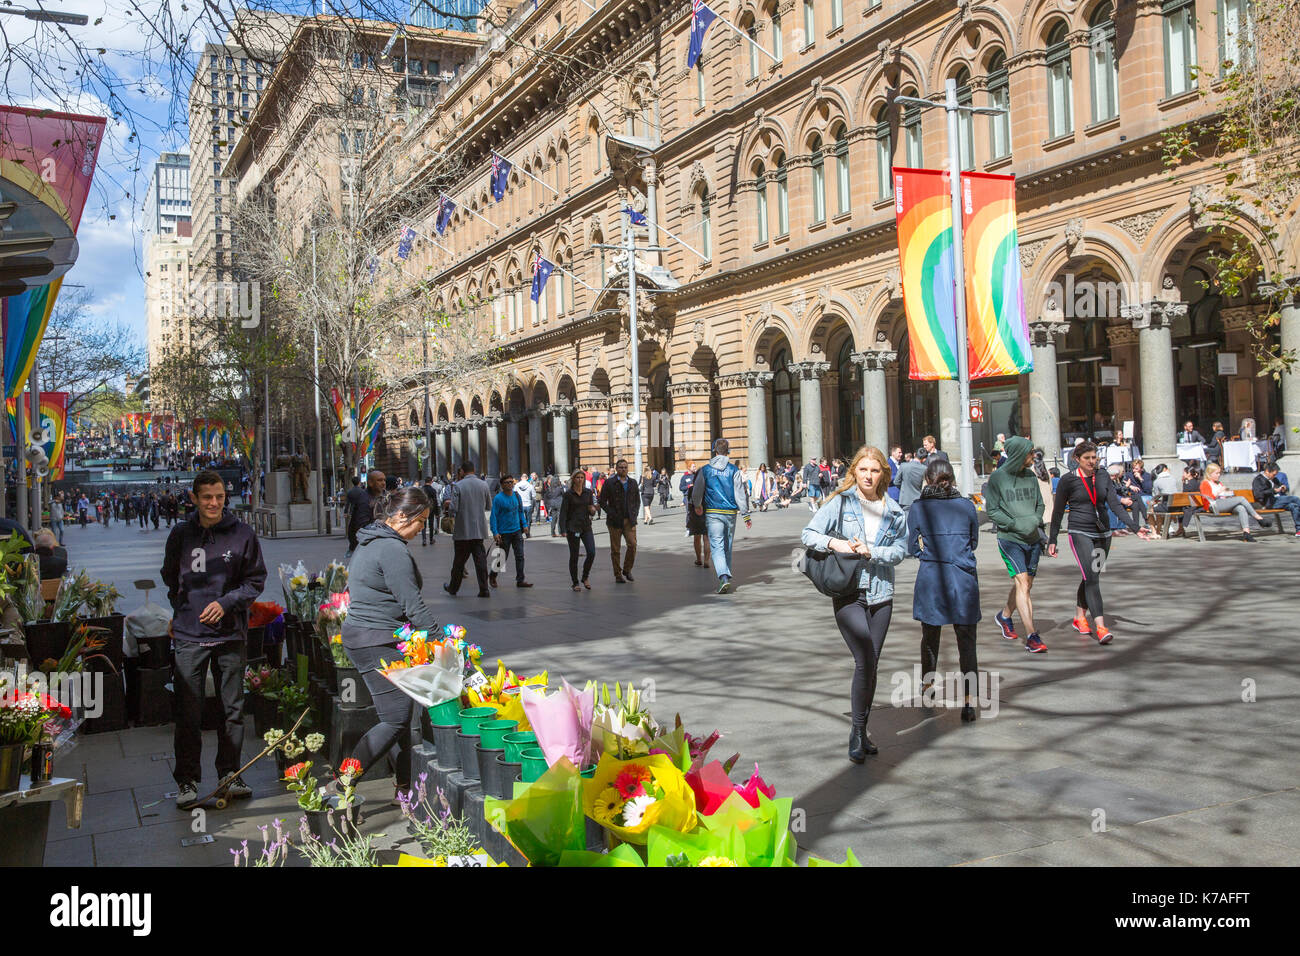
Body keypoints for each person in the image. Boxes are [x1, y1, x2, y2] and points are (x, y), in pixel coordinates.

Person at [162, 470, 268, 810]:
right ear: (194, 498)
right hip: (191, 637)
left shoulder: (243, 534)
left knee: (232, 710)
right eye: (207, 497)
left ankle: (230, 773)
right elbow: (169, 576)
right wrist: (183, 611)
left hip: (229, 635)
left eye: (219, 496)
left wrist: (226, 604)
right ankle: (188, 781)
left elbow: (255, 581)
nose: (214, 503)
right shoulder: (181, 534)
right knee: (188, 711)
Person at [801, 446, 908, 763]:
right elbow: (809, 534)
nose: (869, 476)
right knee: (865, 657)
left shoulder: (895, 511)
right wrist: (839, 543)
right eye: (863, 470)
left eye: (875, 470)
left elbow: (901, 551)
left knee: (871, 662)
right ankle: (857, 733)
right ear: (855, 472)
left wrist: (873, 551)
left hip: (882, 593)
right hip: (849, 591)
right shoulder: (841, 501)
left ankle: (861, 731)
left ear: (883, 474)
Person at [343, 486, 437, 802]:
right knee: (395, 719)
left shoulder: (371, 541)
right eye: (420, 521)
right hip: (377, 640)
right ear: (399, 516)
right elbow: (412, 605)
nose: (422, 527)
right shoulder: (391, 549)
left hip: (371, 636)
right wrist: (442, 640)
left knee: (406, 716)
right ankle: (343, 781)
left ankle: (407, 784)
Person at [907, 458, 981, 721]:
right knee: (967, 643)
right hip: (962, 578)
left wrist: (926, 554)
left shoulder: (919, 508)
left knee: (930, 637)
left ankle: (928, 687)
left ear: (928, 479)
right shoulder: (966, 506)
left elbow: (911, 547)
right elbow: (973, 541)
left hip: (932, 578)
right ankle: (969, 703)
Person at [1047, 442, 1139, 645]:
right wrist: (1052, 539)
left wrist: (1134, 526)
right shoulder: (1068, 480)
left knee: (1092, 576)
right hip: (1079, 531)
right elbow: (1058, 512)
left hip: (1103, 534)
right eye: (1087, 458)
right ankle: (1101, 626)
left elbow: (1114, 504)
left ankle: (1079, 617)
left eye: (1094, 457)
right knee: (1091, 576)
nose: (1092, 461)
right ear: (1076, 460)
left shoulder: (1103, 476)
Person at [983, 436, 1050, 654]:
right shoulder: (997, 479)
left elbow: (1040, 503)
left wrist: (1034, 519)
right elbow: (992, 510)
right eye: (1030, 453)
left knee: (1026, 585)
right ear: (1020, 454)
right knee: (1022, 583)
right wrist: (1013, 524)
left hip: (1032, 537)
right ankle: (1032, 635)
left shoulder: (1030, 477)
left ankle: (1004, 616)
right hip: (1010, 539)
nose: (1033, 457)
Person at [690, 438, 753, 593]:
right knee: (727, 546)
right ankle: (725, 577)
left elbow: (697, 491)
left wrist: (697, 505)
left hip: (713, 513)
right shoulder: (734, 470)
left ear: (715, 451)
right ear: (728, 452)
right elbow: (740, 494)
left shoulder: (705, 470)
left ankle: (723, 576)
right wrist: (745, 514)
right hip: (730, 513)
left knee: (717, 546)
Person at [444, 460, 493, 597]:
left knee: (459, 562)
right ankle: (484, 589)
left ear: (462, 471)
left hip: (462, 530)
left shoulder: (458, 486)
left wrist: (449, 509)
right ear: (474, 469)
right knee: (480, 561)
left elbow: (453, 508)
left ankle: (453, 588)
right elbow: (489, 506)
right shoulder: (484, 485)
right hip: (478, 530)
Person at [1200, 462, 1272, 542]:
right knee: (1241, 498)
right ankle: (1258, 518)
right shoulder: (1205, 483)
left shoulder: (1218, 483)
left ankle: (1246, 533)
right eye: (1216, 473)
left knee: (1241, 508)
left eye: (1219, 473)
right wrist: (1219, 491)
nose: (1219, 475)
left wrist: (1227, 494)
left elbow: (1223, 494)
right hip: (1213, 505)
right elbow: (1208, 498)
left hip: (1223, 503)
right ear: (1210, 473)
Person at [597, 458, 640, 583]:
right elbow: (602, 501)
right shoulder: (609, 483)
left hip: (629, 520)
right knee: (615, 549)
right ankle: (618, 574)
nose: (623, 469)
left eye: (625, 467)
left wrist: (635, 513)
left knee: (632, 545)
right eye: (621, 467)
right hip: (615, 521)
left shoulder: (632, 483)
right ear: (616, 469)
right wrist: (611, 513)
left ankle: (627, 569)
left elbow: (637, 500)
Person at [488, 474, 532, 588]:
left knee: (520, 556)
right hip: (504, 532)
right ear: (502, 485)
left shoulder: (517, 496)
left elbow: (520, 511)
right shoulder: (498, 498)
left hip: (517, 531)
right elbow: (493, 516)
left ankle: (520, 580)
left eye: (511, 482)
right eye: (507, 482)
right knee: (502, 557)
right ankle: (493, 575)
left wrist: (525, 525)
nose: (510, 484)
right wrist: (495, 532)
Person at [557, 472, 597, 590]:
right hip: (572, 527)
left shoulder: (588, 492)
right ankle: (575, 582)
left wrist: (593, 510)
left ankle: (585, 577)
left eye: (582, 477)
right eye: (577, 478)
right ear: (573, 479)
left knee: (591, 552)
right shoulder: (568, 494)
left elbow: (591, 509)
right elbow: (563, 512)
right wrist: (562, 529)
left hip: (586, 526)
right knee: (574, 556)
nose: (580, 480)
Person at [1252, 461, 1300, 534]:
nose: (1274, 476)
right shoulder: (1258, 480)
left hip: (1277, 501)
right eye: (1274, 474)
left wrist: (1283, 487)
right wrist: (1273, 491)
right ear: (1267, 471)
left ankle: (1298, 530)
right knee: (1295, 498)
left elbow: (1280, 485)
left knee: (1294, 506)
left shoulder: (1273, 479)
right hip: (1268, 503)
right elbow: (1258, 494)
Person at [680, 461, 713, 566]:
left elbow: (691, 500)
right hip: (707, 512)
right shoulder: (709, 487)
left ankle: (699, 559)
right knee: (706, 537)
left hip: (696, 513)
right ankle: (707, 561)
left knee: (697, 537)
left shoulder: (693, 487)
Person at [346, 472, 385, 557]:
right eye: (379, 480)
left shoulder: (380, 497)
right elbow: (362, 525)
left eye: (384, 480)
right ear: (370, 483)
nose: (383, 483)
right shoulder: (364, 499)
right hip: (365, 545)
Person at [514, 472, 537, 537]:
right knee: (528, 520)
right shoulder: (530, 486)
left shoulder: (517, 485)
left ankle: (520, 533)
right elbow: (534, 495)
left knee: (520, 519)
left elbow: (513, 494)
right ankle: (527, 533)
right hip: (528, 504)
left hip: (519, 505)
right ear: (527, 478)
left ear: (521, 478)